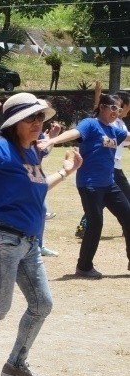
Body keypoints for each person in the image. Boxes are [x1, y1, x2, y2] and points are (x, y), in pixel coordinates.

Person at [0, 92, 79, 376]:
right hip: (3, 238)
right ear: (14, 123)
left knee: (42, 304)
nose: (38, 122)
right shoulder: (0, 146)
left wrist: (66, 171)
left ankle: (15, 365)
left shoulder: (31, 152)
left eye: (40, 117)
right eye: (31, 118)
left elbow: (37, 187)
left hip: (29, 242)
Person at [39, 93, 130, 278]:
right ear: (102, 107)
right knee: (95, 224)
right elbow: (75, 133)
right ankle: (84, 267)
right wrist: (53, 140)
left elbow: (128, 136)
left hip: (109, 184)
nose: (116, 112)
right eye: (113, 108)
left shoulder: (114, 130)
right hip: (90, 184)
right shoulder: (90, 124)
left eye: (119, 109)